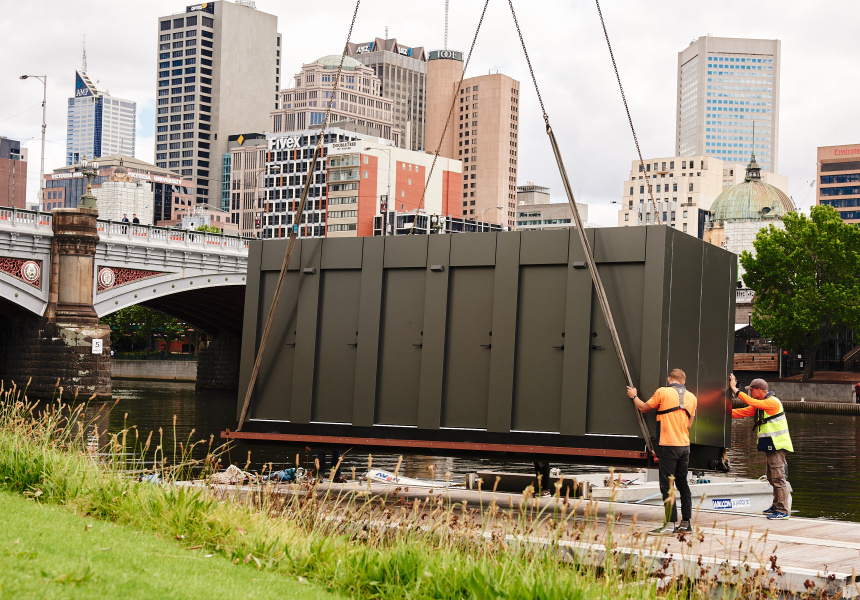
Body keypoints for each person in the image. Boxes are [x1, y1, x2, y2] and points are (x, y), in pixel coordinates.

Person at [627, 368, 697, 534]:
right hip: (685, 446)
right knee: (682, 483)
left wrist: (634, 396)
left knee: (667, 485)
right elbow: (688, 425)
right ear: (683, 382)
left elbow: (644, 408)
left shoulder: (663, 392)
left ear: (669, 379)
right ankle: (686, 523)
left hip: (668, 446)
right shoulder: (692, 397)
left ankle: (670, 524)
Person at [729, 374, 793, 519]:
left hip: (777, 446)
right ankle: (776, 506)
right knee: (772, 478)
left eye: (751, 390)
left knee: (778, 479)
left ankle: (783, 511)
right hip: (770, 446)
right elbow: (741, 412)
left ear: (758, 390)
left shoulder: (772, 402)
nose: (750, 392)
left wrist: (734, 389)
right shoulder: (761, 406)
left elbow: (750, 401)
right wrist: (721, 413)